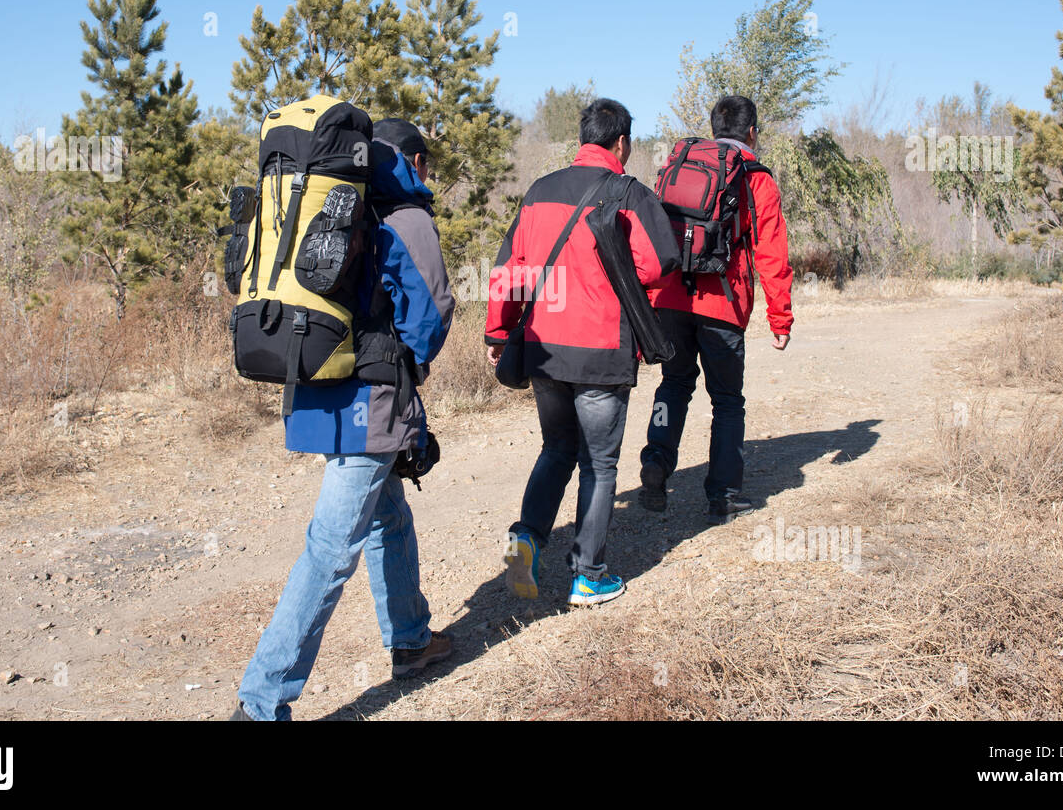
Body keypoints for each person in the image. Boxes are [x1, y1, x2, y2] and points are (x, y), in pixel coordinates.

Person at [231, 119, 455, 721]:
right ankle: (262, 701)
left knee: (388, 517)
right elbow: (430, 321)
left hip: (319, 395)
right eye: (425, 162)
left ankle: (410, 639)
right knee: (329, 551)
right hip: (371, 405)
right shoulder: (407, 219)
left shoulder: (330, 205)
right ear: (412, 160)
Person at [486, 98, 680, 606]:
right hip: (601, 351)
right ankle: (589, 576)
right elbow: (661, 264)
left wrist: (498, 332)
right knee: (599, 463)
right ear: (621, 143)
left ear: (582, 138)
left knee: (556, 449)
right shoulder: (630, 194)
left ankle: (527, 537)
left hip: (545, 351)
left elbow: (511, 270)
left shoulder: (539, 191)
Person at [640, 95, 793, 524]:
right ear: (752, 132)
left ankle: (656, 459)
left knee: (673, 385)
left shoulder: (683, 166)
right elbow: (772, 254)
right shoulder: (755, 178)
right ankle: (723, 495)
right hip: (723, 305)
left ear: (713, 130)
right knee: (726, 401)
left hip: (671, 299)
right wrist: (780, 318)